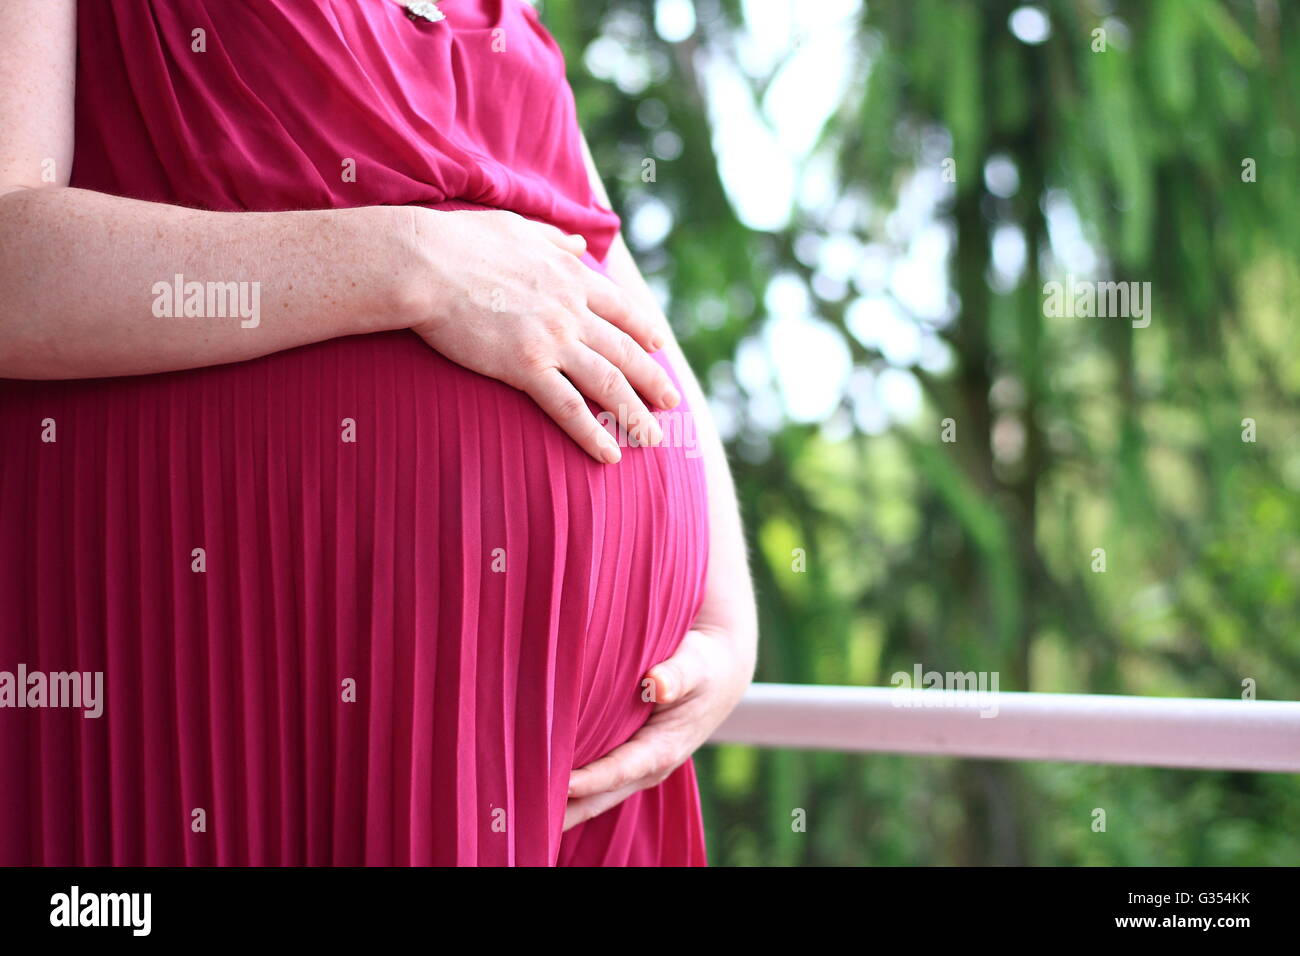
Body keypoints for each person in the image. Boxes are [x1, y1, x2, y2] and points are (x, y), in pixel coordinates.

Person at [0, 0, 756, 866]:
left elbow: (608, 289)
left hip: (573, 754)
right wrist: (404, 264)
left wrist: (726, 615)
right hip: (242, 685)